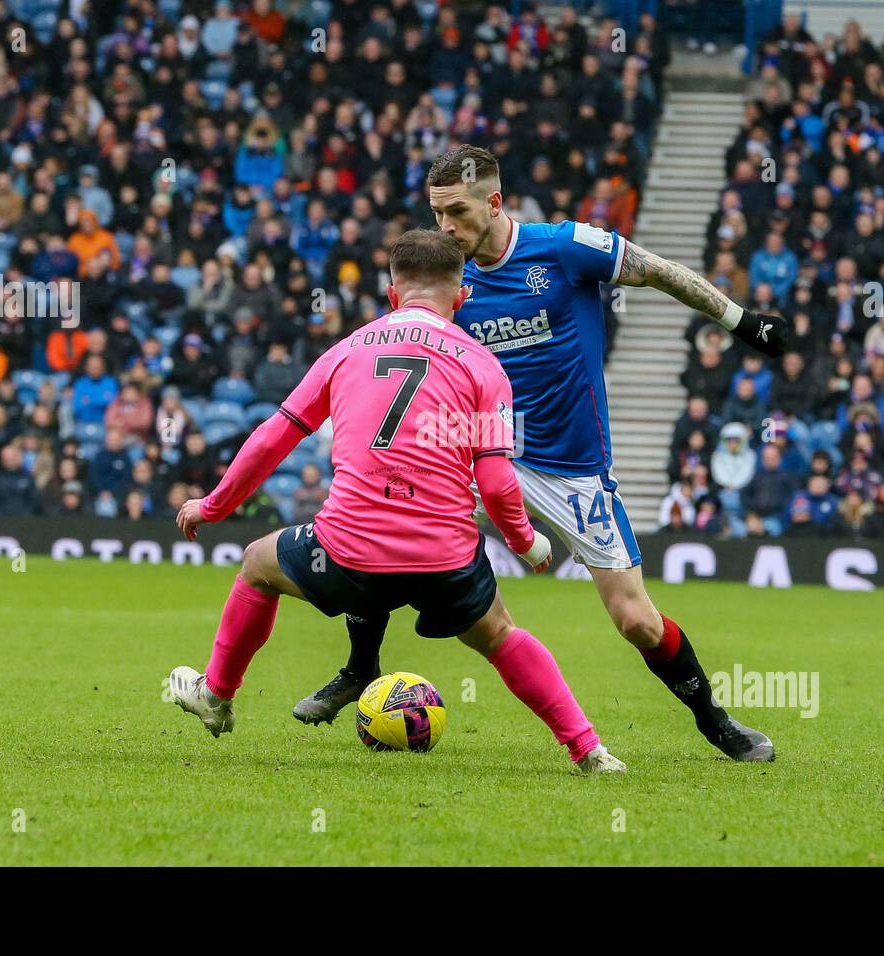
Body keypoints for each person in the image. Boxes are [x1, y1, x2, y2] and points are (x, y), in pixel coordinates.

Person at [295, 145, 775, 762]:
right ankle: (362, 665)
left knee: (637, 621)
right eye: (436, 213)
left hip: (574, 469)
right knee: (383, 519)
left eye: (456, 212)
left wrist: (738, 321)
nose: (445, 227)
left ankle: (715, 721)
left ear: (495, 202)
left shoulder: (565, 247)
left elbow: (657, 270)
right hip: (477, 455)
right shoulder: (448, 280)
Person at [167, 230, 625, 773]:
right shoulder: (484, 367)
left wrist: (212, 507)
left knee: (257, 565)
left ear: (391, 295)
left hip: (349, 551)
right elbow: (498, 482)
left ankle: (217, 696)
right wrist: (526, 544)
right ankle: (587, 749)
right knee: (500, 634)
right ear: (460, 298)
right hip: (444, 558)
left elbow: (271, 439)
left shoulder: (345, 351)